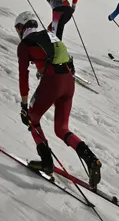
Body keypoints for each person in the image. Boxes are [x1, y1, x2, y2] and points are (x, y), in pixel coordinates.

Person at [13, 11, 102, 183]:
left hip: (53, 82)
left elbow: (23, 76)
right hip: (68, 82)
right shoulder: (50, 36)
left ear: (22, 27)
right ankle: (91, 160)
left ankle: (47, 162)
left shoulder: (25, 44)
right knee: (61, 129)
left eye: (18, 29)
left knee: (31, 118)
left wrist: (24, 106)